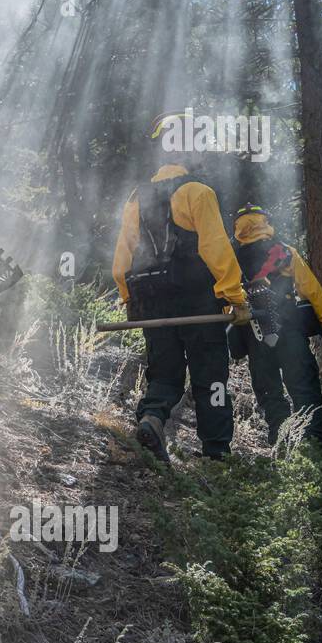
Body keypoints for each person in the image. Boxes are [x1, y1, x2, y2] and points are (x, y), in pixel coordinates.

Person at [112, 154, 250, 462]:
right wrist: (235, 298)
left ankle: (152, 417)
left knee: (163, 371)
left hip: (150, 300)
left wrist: (129, 299)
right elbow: (215, 248)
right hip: (197, 299)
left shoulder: (136, 198)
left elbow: (123, 256)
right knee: (210, 375)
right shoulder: (198, 192)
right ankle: (216, 453)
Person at [229, 202, 322, 447]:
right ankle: (315, 441)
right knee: (303, 384)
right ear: (265, 222)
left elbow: (224, 297)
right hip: (289, 328)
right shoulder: (285, 251)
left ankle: (279, 440)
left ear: (237, 226)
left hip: (253, 333)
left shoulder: (229, 259)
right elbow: (311, 289)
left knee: (268, 389)